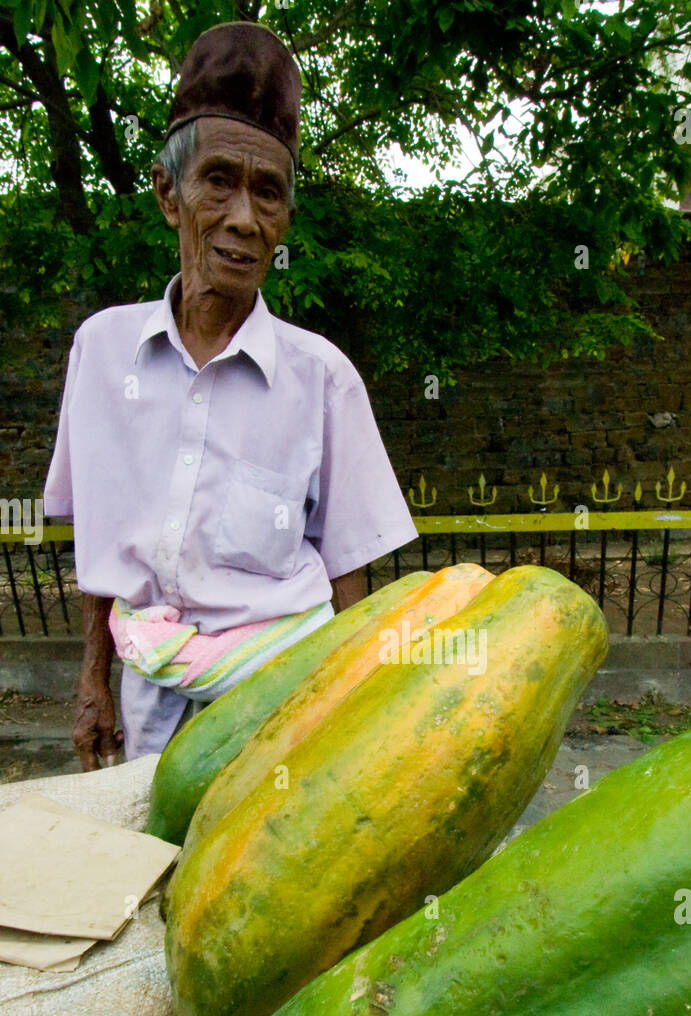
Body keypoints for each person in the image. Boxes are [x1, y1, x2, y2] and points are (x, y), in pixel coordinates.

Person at [43, 21, 417, 768]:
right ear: (167, 192)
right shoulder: (102, 351)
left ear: (284, 220)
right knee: (154, 868)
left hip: (281, 709)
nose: (244, 218)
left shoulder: (323, 380)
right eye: (219, 180)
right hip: (150, 702)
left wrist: (353, 736)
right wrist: (93, 679)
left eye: (268, 194)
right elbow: (99, 539)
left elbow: (351, 584)